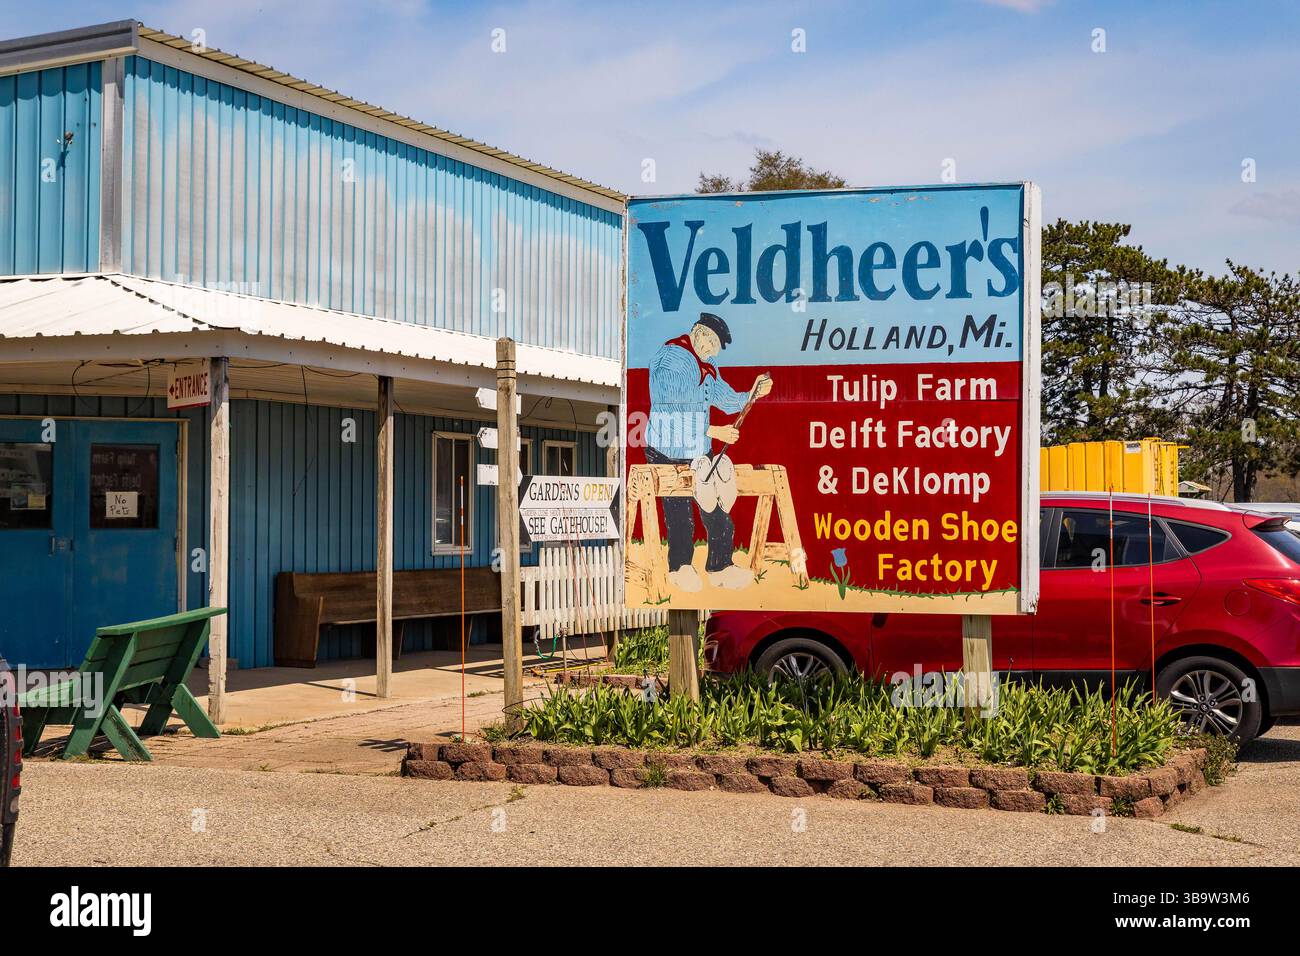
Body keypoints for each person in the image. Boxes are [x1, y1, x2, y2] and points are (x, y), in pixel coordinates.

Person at [645, 311, 774, 591]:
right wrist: (715, 431)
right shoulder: (671, 359)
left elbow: (725, 399)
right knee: (680, 515)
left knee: (716, 508)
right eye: (711, 344)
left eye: (715, 348)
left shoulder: (708, 365)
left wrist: (752, 394)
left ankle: (720, 566)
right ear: (699, 333)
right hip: (668, 449)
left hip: (698, 450)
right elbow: (672, 411)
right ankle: (680, 567)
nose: (712, 351)